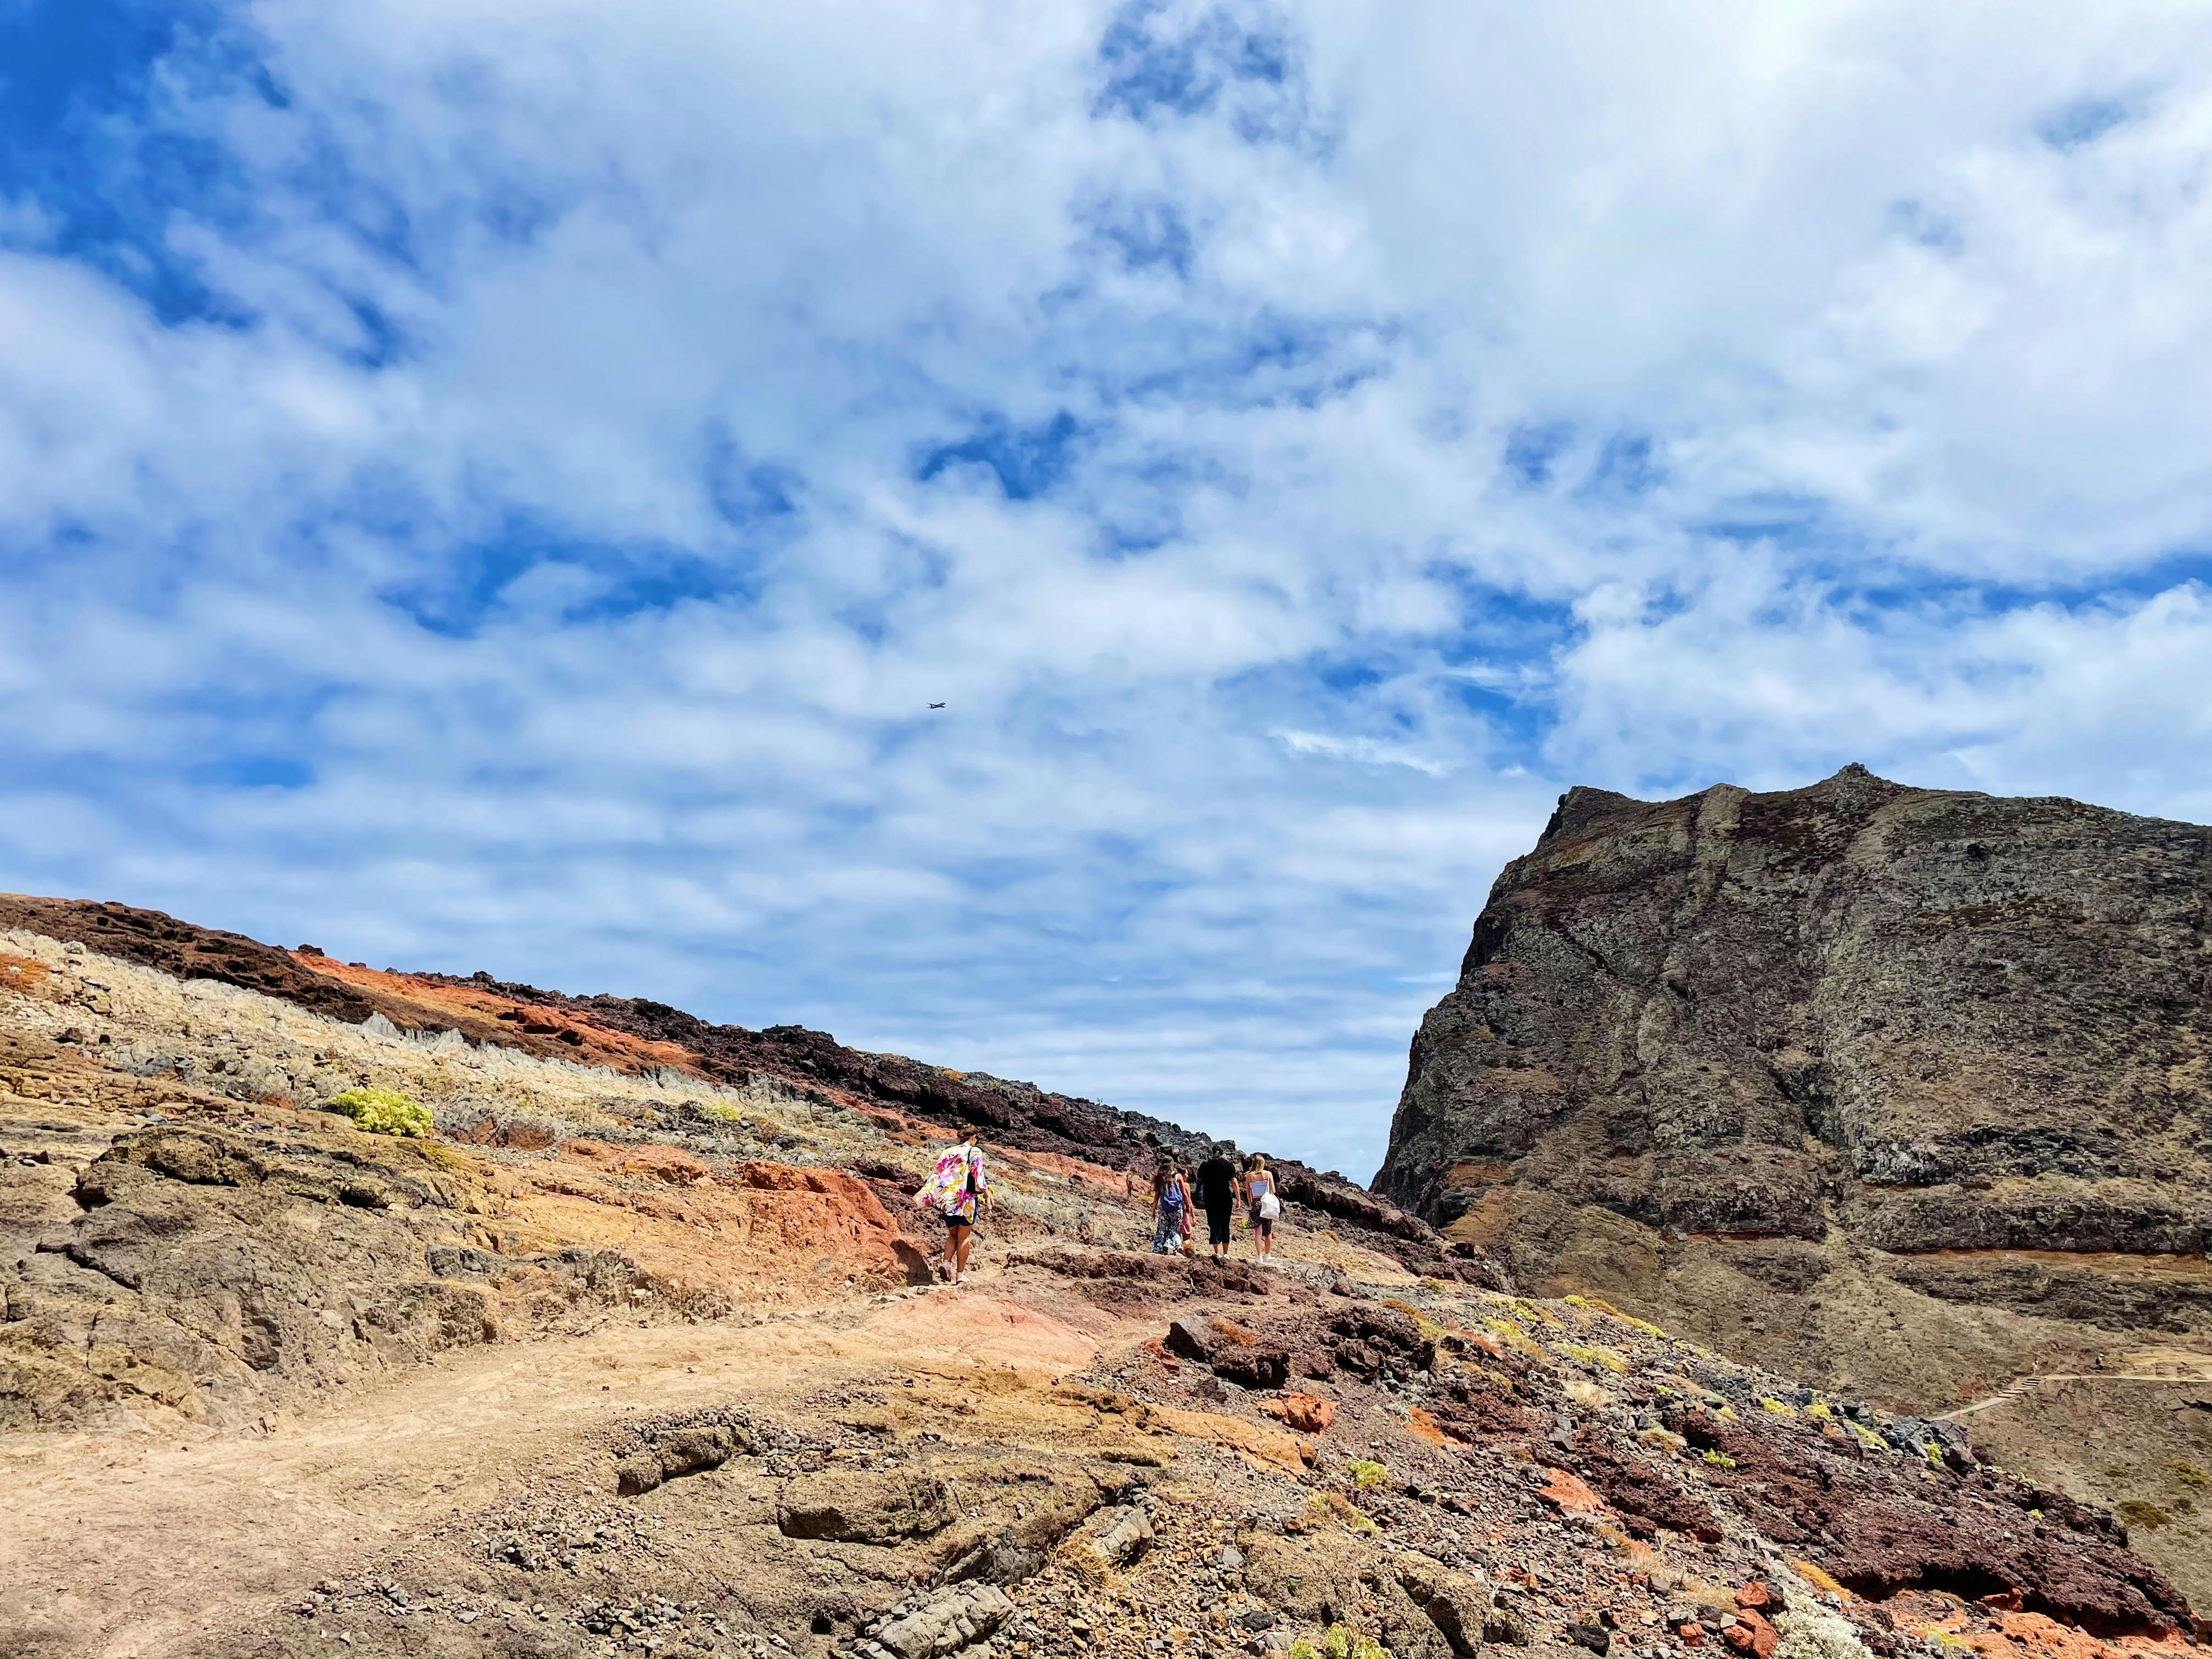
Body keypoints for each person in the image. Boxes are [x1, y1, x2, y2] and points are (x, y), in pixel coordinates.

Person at [914, 1127, 991, 1284]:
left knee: (953, 1235)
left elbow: (939, 1172)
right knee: (964, 1237)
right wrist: (987, 1194)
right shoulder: (975, 1152)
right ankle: (960, 1275)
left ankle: (946, 1263)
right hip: (966, 1199)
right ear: (974, 1137)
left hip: (948, 1200)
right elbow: (978, 1175)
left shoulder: (948, 1151)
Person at [1193, 1142, 1239, 1263]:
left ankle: (1217, 1253)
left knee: (1214, 1224)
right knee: (1225, 1224)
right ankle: (1226, 1253)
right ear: (1222, 1154)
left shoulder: (1205, 1165)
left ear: (1212, 1153)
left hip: (1210, 1198)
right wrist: (1238, 1199)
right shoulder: (1229, 1165)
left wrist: (1198, 1197)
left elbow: (1199, 1183)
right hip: (1225, 1198)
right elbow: (1234, 1182)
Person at [1243, 1152, 1279, 1262]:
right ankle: (1268, 1254)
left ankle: (1260, 1256)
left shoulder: (1249, 1176)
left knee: (1258, 1231)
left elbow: (1248, 1193)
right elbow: (1273, 1191)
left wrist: (1251, 1203)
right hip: (1266, 1203)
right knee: (1268, 1230)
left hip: (1256, 1203)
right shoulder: (1268, 1174)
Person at [1149, 1159, 1189, 1254]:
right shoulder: (1178, 1176)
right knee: (1174, 1230)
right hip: (1176, 1208)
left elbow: (1157, 1195)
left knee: (1162, 1231)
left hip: (1164, 1209)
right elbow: (1184, 1193)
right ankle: (1177, 1248)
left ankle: (1159, 1250)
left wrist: (1153, 1210)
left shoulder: (1160, 1177)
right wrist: (1188, 1206)